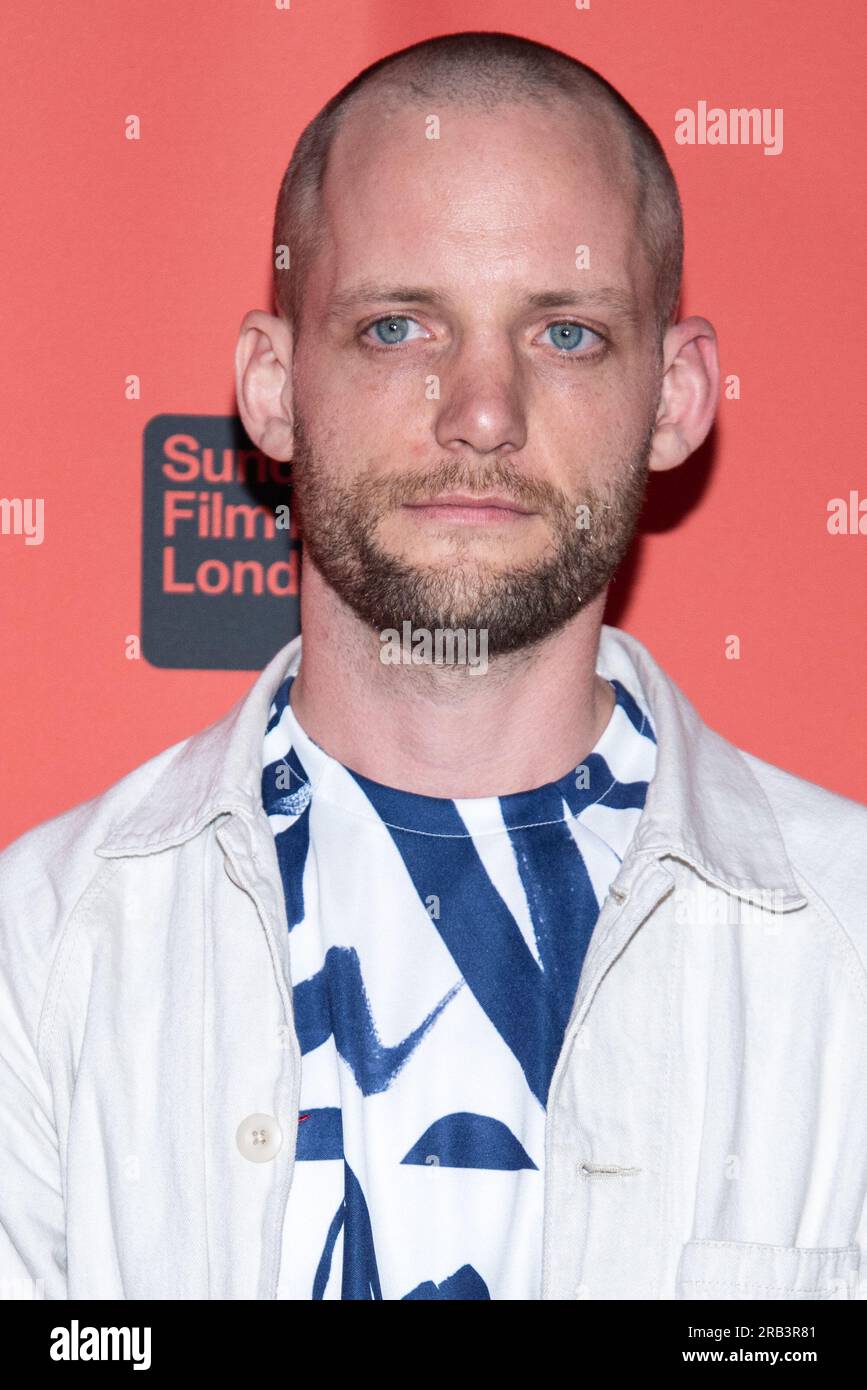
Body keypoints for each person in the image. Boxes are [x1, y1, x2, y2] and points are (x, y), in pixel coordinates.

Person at [1, 30, 865, 1303]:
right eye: (398, 325)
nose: (481, 409)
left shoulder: (848, 955)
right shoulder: (44, 949)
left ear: (677, 395)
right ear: (275, 385)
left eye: (565, 334)